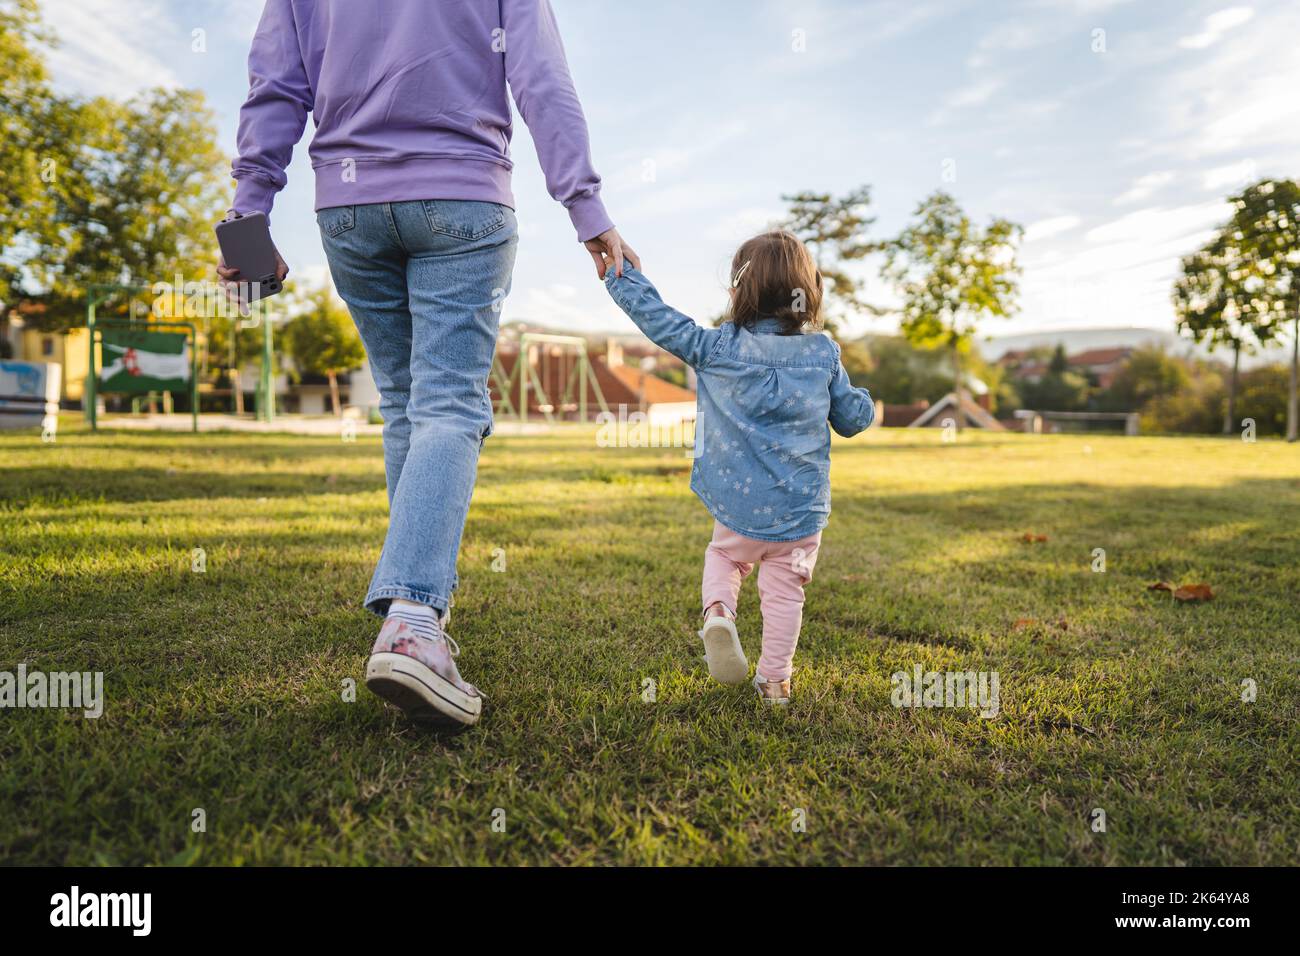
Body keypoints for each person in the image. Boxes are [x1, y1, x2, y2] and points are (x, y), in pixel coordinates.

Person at [219, 0, 639, 728]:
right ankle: (413, 619)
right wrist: (586, 206)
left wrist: (250, 208)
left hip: (348, 207)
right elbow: (542, 79)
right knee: (448, 404)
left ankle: (407, 612)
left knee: (408, 406)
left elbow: (275, 88)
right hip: (463, 193)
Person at [603, 231, 874, 705]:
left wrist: (620, 275)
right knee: (786, 594)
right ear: (808, 291)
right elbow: (851, 420)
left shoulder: (716, 348)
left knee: (725, 558)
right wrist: (866, 403)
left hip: (737, 505)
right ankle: (775, 682)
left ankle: (720, 613)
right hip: (799, 511)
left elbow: (660, 321)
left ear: (739, 292)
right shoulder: (822, 354)